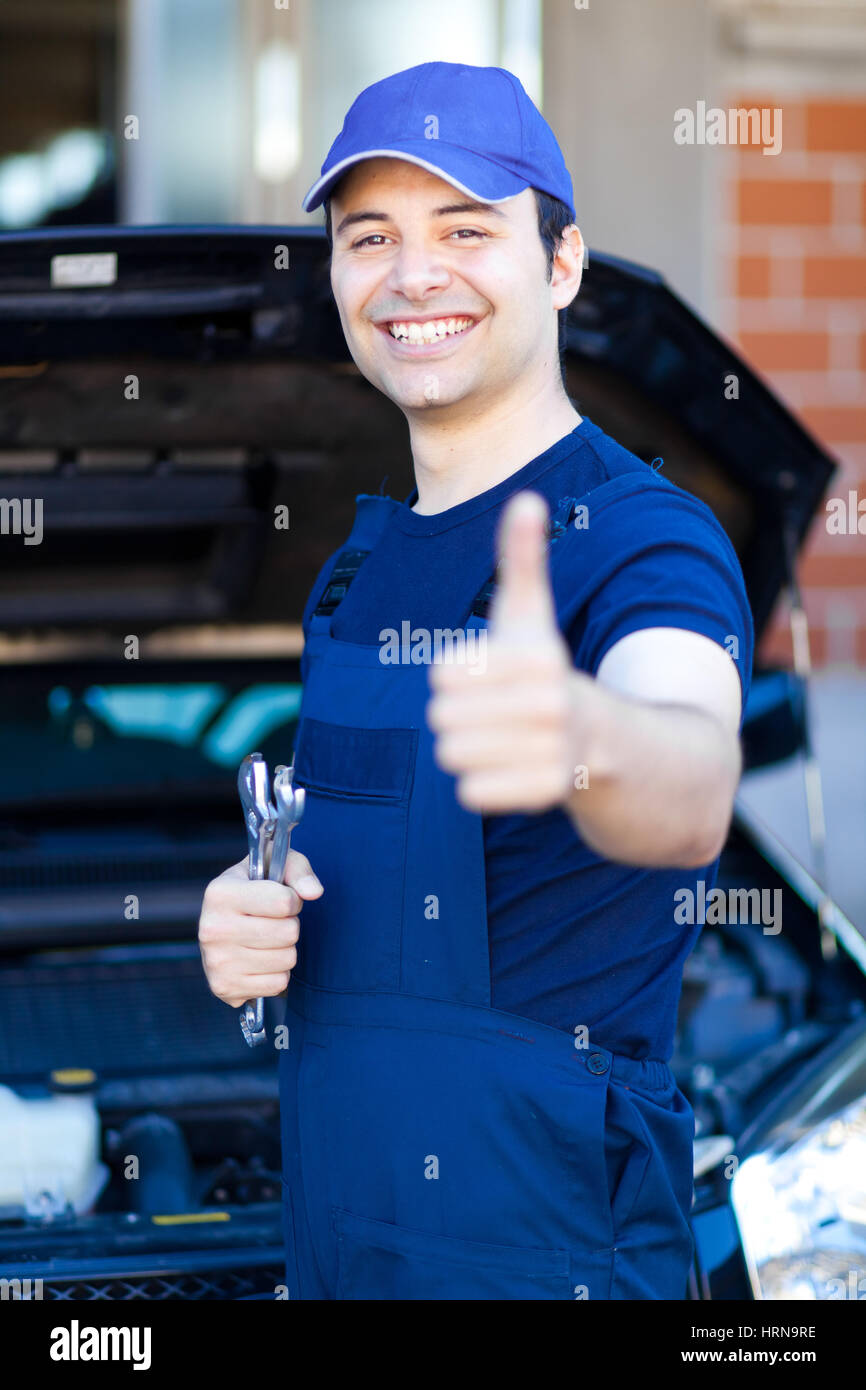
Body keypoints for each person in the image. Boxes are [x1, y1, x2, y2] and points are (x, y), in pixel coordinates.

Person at [198, 61, 753, 1300]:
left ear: (559, 264)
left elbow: (688, 780)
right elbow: (350, 894)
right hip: (347, 1243)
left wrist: (587, 734)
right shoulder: (353, 574)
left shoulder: (642, 540)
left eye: (464, 229)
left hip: (546, 1260)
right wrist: (250, 910)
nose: (412, 276)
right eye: (370, 236)